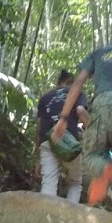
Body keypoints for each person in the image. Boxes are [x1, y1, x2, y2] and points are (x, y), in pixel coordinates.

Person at [52, 38, 112, 204]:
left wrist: (63, 117)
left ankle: (105, 171)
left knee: (90, 155)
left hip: (105, 102)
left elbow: (79, 82)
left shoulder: (100, 52)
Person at [35, 70, 88, 202]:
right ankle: (70, 217)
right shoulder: (77, 94)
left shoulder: (45, 98)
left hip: (47, 141)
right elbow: (80, 111)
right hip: (68, 142)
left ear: (58, 82)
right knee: (75, 182)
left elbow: (39, 128)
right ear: (71, 82)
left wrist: (37, 159)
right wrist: (93, 129)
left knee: (48, 181)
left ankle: (47, 216)